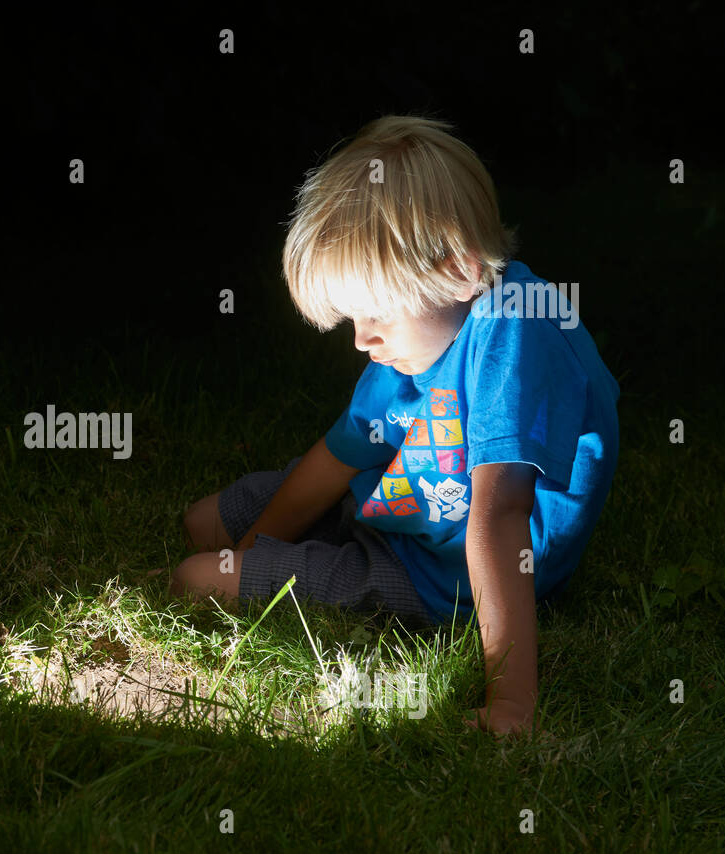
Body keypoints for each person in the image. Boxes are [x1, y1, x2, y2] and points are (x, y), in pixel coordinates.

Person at [170, 115, 620, 737]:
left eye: (376, 311)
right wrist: (251, 551)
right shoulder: (417, 340)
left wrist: (512, 704)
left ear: (459, 272)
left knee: (197, 579)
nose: (361, 339)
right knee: (206, 523)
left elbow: (500, 515)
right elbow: (340, 456)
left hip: (441, 575)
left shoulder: (514, 335)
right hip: (399, 503)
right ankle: (268, 555)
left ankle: (303, 568)